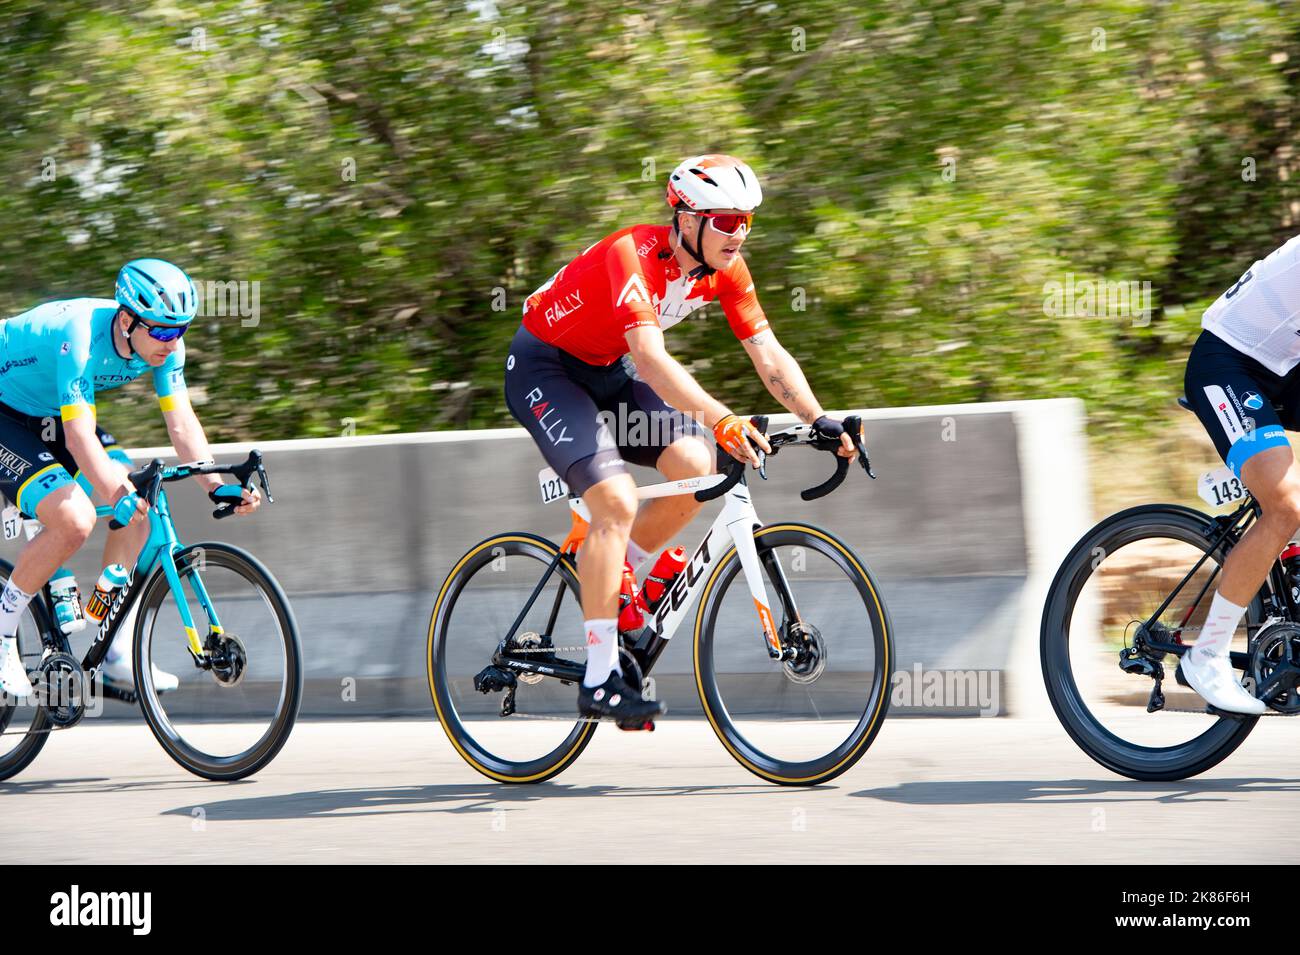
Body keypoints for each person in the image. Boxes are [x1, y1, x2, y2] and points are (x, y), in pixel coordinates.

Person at [505, 154, 860, 725]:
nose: (738, 233)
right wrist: (724, 417)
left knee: (697, 464)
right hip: (544, 370)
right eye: (725, 220)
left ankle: (625, 591)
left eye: (746, 220)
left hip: (604, 370)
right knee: (616, 500)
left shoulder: (728, 271)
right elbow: (651, 358)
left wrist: (820, 418)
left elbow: (768, 355)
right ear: (686, 218)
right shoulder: (634, 254)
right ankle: (599, 679)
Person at [0, 259, 260, 699]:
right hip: (6, 412)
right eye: (160, 330)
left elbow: (182, 427)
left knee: (140, 507)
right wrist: (114, 494)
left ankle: (113, 647)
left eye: (180, 330)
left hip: (49, 413)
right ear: (126, 319)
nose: (171, 341)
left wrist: (218, 485)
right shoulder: (79, 335)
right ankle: (3, 634)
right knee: (76, 519)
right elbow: (81, 438)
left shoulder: (167, 347)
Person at [1183, 233, 1300, 714]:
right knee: (1287, 507)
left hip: (1282, 366)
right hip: (1226, 364)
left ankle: (1250, 480)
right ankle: (1206, 654)